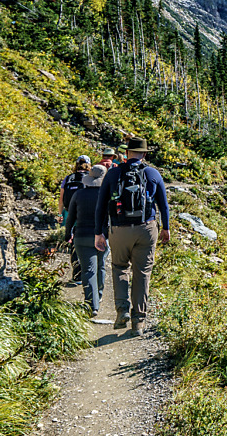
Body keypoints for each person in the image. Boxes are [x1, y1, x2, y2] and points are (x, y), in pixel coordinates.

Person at [95, 137, 170, 336]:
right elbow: (163, 204)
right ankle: (139, 321)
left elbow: (101, 206)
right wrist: (166, 228)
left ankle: (121, 310)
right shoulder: (153, 173)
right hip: (146, 229)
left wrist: (99, 232)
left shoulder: (113, 174)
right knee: (142, 273)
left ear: (127, 153)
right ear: (144, 154)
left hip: (119, 230)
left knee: (120, 267)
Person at [64, 164, 109, 320]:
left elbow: (70, 217)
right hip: (102, 236)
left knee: (88, 270)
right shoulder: (107, 194)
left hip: (82, 236)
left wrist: (67, 233)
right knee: (101, 266)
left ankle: (92, 304)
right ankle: (100, 295)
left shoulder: (78, 194)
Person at [58, 155, 90, 286]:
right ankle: (89, 275)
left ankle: (76, 275)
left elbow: (61, 198)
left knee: (74, 244)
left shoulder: (68, 178)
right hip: (86, 214)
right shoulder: (90, 178)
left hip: (70, 213)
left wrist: (60, 214)